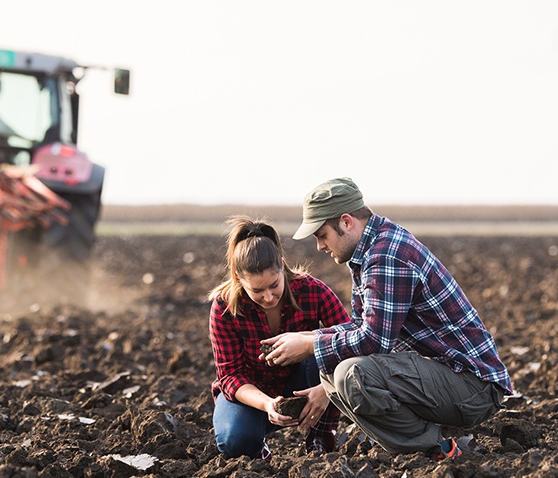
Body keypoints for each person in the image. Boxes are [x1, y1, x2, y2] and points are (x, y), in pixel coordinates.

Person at [263, 177, 513, 459]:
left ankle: (439, 450)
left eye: (322, 235)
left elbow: (373, 341)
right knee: (333, 367)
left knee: (351, 374)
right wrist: (309, 337)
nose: (320, 246)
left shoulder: (387, 255)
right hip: (447, 377)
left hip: (473, 388)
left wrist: (310, 346)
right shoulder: (369, 249)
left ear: (346, 222)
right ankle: (427, 439)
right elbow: (362, 326)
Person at [208, 216, 350, 459]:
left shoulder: (312, 291)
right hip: (253, 393)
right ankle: (257, 451)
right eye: (257, 291)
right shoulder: (224, 307)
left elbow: (351, 338)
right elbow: (230, 375)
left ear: (282, 266)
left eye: (274, 285)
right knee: (235, 440)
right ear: (239, 279)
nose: (269, 297)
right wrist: (266, 404)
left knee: (325, 349)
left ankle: (320, 440)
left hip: (304, 382)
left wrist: (326, 390)